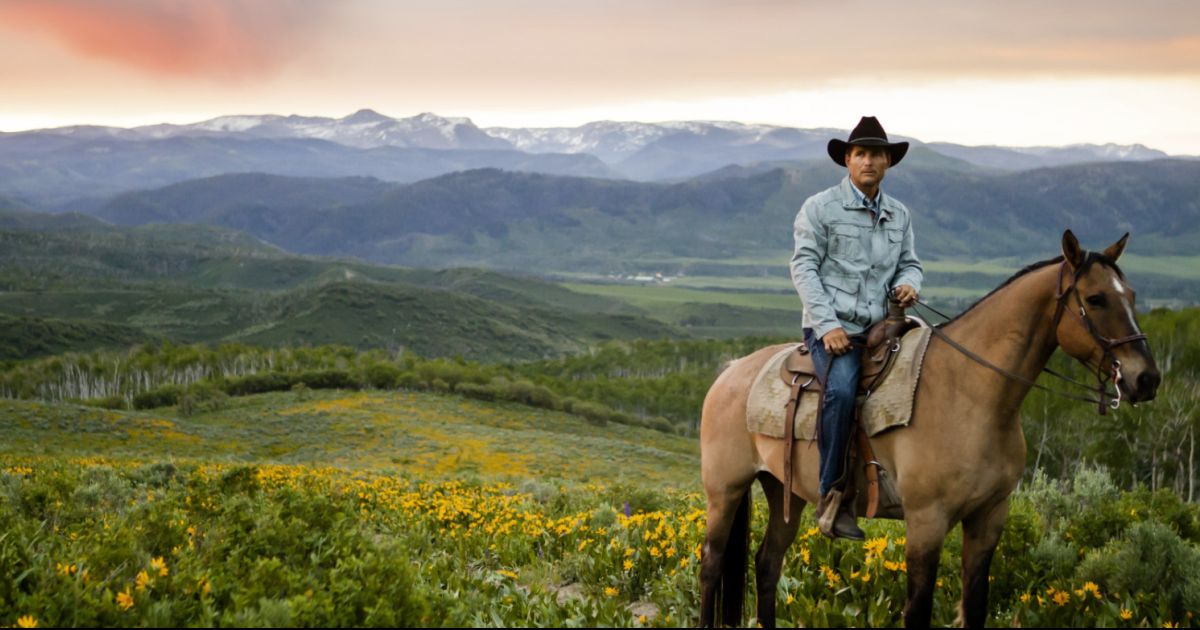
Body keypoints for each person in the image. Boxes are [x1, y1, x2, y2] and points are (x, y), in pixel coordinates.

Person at [789, 116, 923, 539]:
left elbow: (910, 263)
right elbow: (804, 268)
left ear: (888, 162)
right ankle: (832, 496)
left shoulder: (899, 215)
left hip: (884, 326)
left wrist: (909, 284)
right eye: (860, 154)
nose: (869, 161)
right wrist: (827, 326)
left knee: (933, 367)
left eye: (876, 155)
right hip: (835, 330)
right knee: (843, 391)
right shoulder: (820, 208)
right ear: (847, 160)